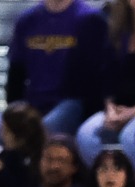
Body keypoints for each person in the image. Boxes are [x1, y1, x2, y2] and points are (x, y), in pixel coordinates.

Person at [76, 0, 135, 171]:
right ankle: (105, 185)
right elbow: (108, 77)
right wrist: (110, 109)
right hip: (118, 107)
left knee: (130, 138)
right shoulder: (115, 32)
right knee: (86, 136)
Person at [7, 0, 110, 138]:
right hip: (33, 101)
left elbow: (97, 76)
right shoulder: (26, 21)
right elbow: (16, 73)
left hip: (73, 102)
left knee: (44, 129)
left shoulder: (90, 19)